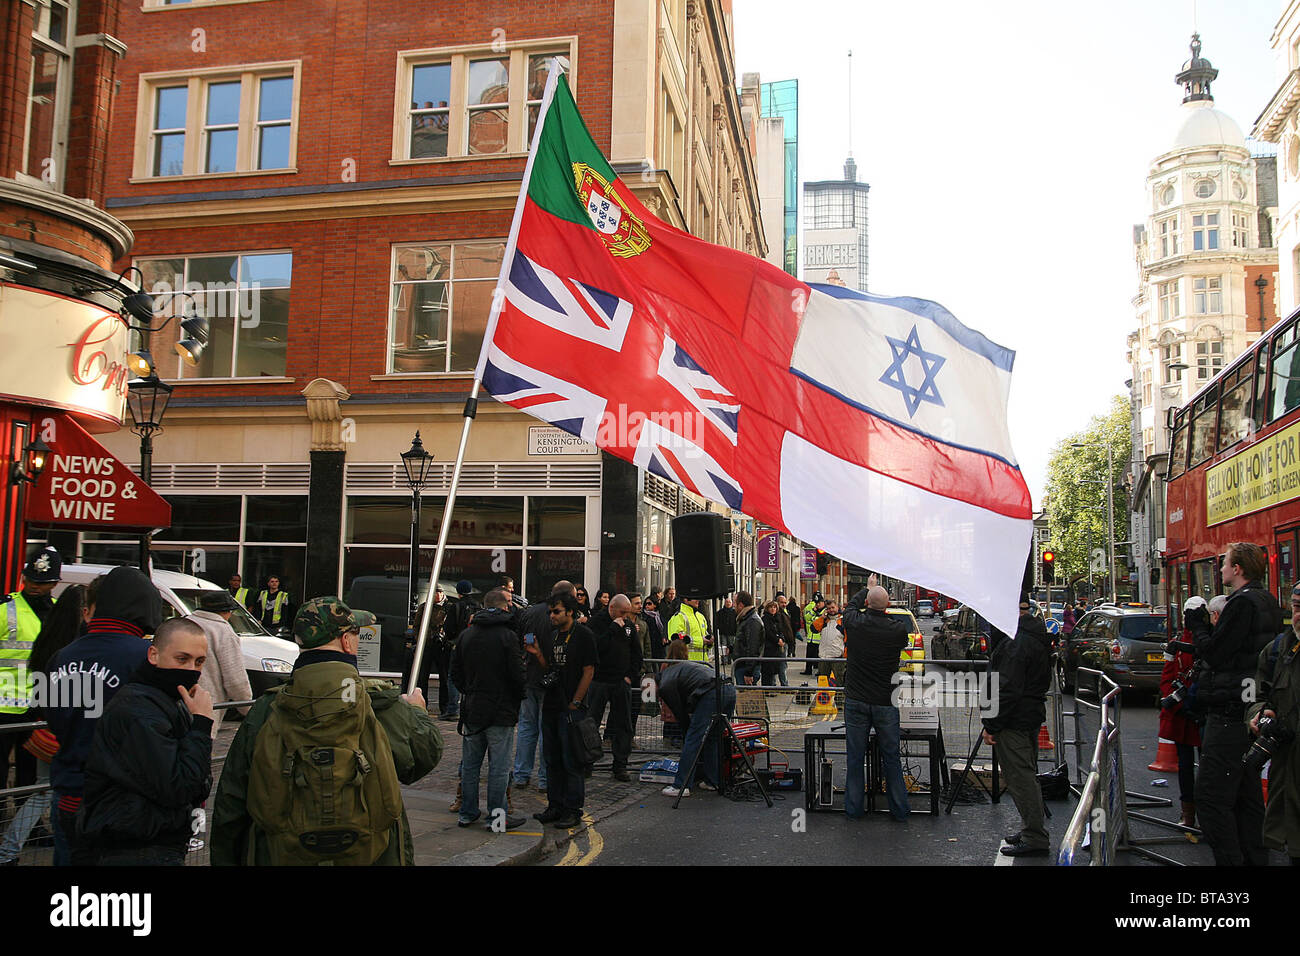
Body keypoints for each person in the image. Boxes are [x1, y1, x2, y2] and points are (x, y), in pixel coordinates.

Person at [211, 597, 442, 865]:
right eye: (356, 634)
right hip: (372, 856)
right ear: (345, 641)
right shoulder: (377, 703)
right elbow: (422, 757)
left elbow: (231, 803)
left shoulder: (267, 709)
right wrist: (416, 712)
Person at [47, 565, 165, 865]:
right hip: (119, 798)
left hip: (68, 793)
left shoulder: (62, 656)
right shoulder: (146, 656)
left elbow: (55, 720)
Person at [77, 618, 214, 866]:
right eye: (181, 659)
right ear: (154, 655)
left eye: (199, 661)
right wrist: (201, 726)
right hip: (137, 848)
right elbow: (180, 786)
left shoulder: (169, 701)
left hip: (157, 842)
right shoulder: (140, 710)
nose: (191, 669)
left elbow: (198, 782)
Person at [1184, 542, 1282, 867]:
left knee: (1212, 799)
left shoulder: (1241, 605)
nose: (1221, 569)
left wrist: (1197, 625)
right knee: (1246, 797)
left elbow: (1215, 652)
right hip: (1250, 709)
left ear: (1237, 569)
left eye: (1224, 563)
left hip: (1230, 715)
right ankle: (1256, 859)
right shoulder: (1267, 600)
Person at [0, 581, 88, 866]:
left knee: (43, 787)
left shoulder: (47, 638)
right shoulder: (78, 644)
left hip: (43, 718)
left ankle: (10, 850)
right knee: (48, 788)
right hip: (62, 724)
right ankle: (10, 849)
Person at [982, 593, 1053, 856]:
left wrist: (992, 724)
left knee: (1020, 778)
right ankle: (1029, 830)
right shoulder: (1031, 636)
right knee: (1025, 774)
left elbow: (1006, 689)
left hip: (1015, 720)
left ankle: (1035, 836)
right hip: (1027, 715)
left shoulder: (1017, 643)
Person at [451, 588, 526, 830]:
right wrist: (517, 699)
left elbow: (456, 674)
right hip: (500, 711)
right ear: (505, 606)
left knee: (470, 766)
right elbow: (518, 675)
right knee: (499, 768)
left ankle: (467, 812)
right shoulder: (508, 636)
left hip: (473, 708)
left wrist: (469, 691)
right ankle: (497, 818)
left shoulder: (466, 635)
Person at [526, 590, 597, 829]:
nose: (551, 616)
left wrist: (576, 701)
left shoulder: (584, 635)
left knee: (571, 760)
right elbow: (552, 668)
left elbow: (589, 671)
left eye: (556, 612)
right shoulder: (554, 636)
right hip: (552, 704)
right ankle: (554, 806)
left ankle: (572, 809)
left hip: (571, 708)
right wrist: (538, 655)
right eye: (550, 612)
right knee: (552, 758)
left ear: (570, 611)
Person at [841, 586, 911, 822]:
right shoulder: (897, 629)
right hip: (885, 701)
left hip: (856, 699)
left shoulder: (856, 623)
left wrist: (866, 589)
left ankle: (854, 809)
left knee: (855, 757)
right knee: (891, 757)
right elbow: (902, 639)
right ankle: (899, 810)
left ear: (867, 604)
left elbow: (850, 607)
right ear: (888, 605)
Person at [0, 547, 61, 808]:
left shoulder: (61, 613)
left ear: (55, 583)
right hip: (4, 704)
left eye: (43, 583)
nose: (35, 587)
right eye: (32, 580)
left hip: (40, 705)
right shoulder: (6, 608)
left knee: (32, 771)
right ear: (24, 577)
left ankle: (28, 827)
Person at [1247, 582, 1300, 865]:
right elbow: (1254, 694)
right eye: (1297, 607)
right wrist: (1257, 715)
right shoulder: (1276, 650)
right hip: (1288, 774)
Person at [513, 581, 577, 792]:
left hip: (530, 676)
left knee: (526, 727)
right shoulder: (559, 616)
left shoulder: (530, 613)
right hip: (549, 677)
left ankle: (521, 774)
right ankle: (544, 778)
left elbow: (524, 638)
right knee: (545, 729)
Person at [656, 640, 735, 796]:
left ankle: (681, 785)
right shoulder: (681, 669)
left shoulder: (665, 683)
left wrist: (688, 730)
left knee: (693, 738)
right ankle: (713, 781)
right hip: (729, 689)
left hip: (712, 692)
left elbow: (681, 714)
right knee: (712, 737)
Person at [1161, 596, 1206, 834]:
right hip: (1183, 713)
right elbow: (1167, 676)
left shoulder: (1208, 642)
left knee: (1206, 766)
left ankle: (1205, 813)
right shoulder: (1176, 642)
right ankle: (1188, 812)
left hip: (1201, 710)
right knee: (1186, 766)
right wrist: (1176, 701)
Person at [588, 594, 643, 781]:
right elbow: (594, 647)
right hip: (600, 680)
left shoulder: (628, 625)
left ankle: (620, 765)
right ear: (612, 608)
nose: (625, 616)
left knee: (623, 725)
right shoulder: (596, 622)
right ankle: (587, 762)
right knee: (591, 723)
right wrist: (612, 629)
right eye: (622, 612)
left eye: (627, 613)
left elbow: (637, 652)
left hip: (621, 681)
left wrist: (630, 676)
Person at [188, 590, 253, 738]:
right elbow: (235, 679)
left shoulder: (185, 622)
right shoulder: (223, 631)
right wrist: (248, 709)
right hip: (205, 705)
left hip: (176, 703)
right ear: (227, 612)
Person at [731, 592, 763, 687]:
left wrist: (749, 672)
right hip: (743, 665)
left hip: (745, 667)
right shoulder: (746, 618)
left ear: (740, 605)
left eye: (734, 602)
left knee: (747, 697)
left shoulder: (752, 621)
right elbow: (743, 641)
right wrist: (732, 648)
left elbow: (753, 647)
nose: (733, 605)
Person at [666, 596, 710, 663]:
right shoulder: (678, 617)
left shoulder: (701, 617)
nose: (698, 600)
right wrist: (701, 641)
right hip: (687, 665)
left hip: (703, 665)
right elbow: (678, 642)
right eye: (694, 597)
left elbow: (706, 637)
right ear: (686, 600)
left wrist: (710, 641)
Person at [760, 600, 789, 687]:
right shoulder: (765, 619)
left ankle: (773, 686)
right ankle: (768, 687)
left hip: (777, 647)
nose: (773, 609)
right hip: (769, 647)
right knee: (768, 669)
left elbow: (781, 630)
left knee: (776, 667)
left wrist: (782, 639)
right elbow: (768, 632)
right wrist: (777, 640)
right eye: (771, 607)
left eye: (774, 607)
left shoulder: (777, 618)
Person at [817, 601, 846, 685]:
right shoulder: (824, 621)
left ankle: (839, 698)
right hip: (824, 656)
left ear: (837, 607)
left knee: (839, 682)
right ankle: (824, 698)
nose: (831, 610)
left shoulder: (842, 621)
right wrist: (822, 618)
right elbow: (813, 629)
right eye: (829, 608)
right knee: (822, 683)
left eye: (833, 607)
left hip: (837, 657)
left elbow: (847, 639)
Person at [802, 594, 826, 675]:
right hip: (811, 638)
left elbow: (817, 621)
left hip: (819, 639)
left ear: (823, 602)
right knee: (809, 656)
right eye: (816, 603)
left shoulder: (825, 611)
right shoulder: (815, 610)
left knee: (818, 657)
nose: (817, 604)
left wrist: (815, 618)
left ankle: (819, 671)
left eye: (819, 603)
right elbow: (807, 618)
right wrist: (813, 611)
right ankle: (808, 670)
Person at [642, 593, 666, 661]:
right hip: (650, 646)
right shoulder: (643, 617)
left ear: (655, 605)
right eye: (645, 604)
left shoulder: (659, 616)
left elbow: (664, 628)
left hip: (660, 646)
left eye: (649, 604)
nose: (647, 606)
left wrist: (664, 637)